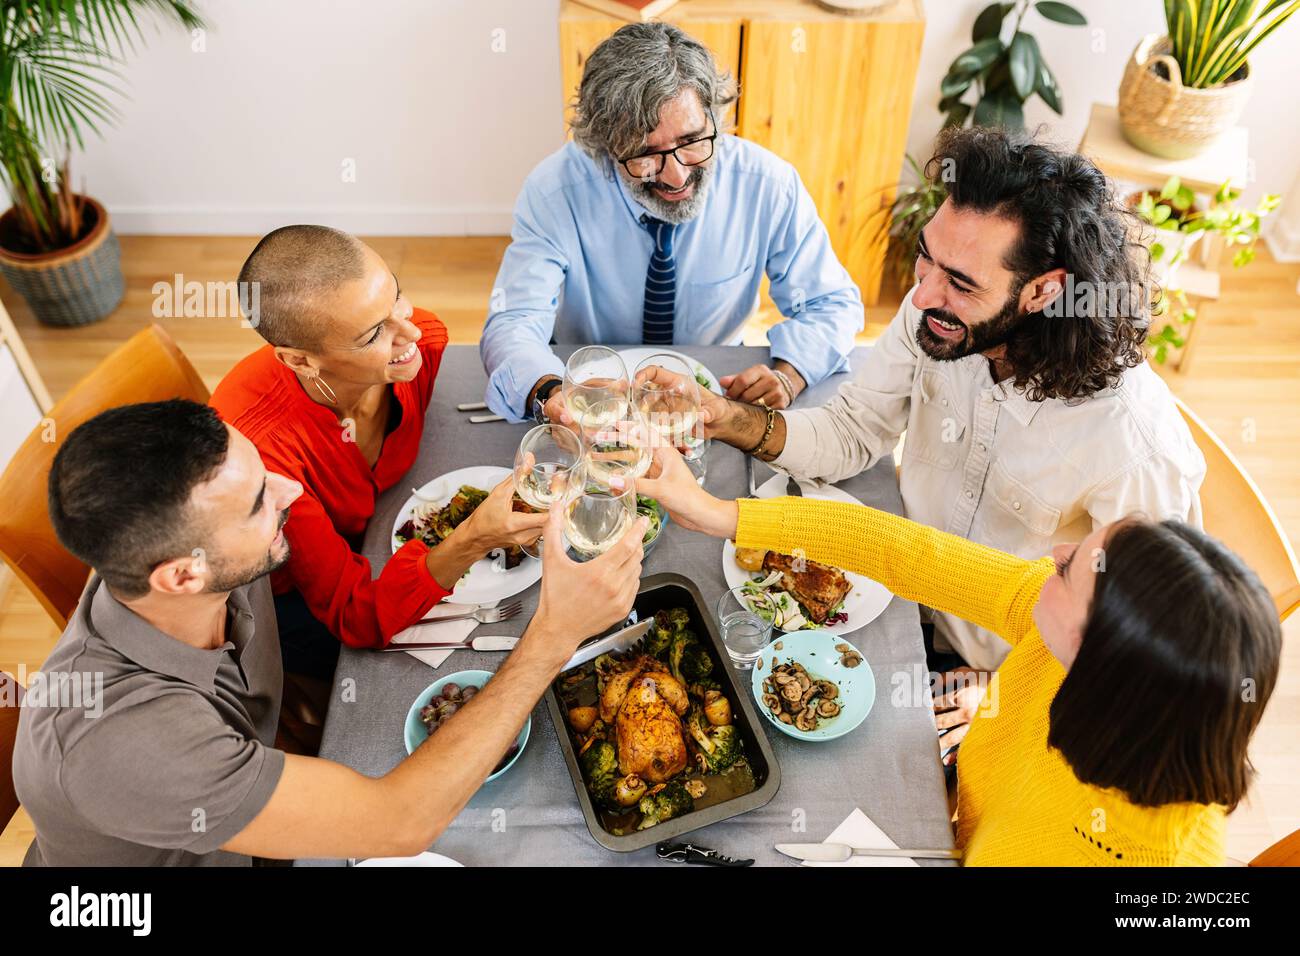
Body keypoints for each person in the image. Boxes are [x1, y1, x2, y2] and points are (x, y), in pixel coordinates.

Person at [671, 126, 1206, 749]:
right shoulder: (940, 313)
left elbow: (1145, 663)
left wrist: (1007, 695)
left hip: (991, 677)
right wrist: (725, 417)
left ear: (1044, 290)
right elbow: (852, 429)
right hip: (883, 588)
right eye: (927, 256)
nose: (922, 293)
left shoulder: (1134, 446)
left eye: (961, 281)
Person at [13, 400, 646, 865]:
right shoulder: (124, 742)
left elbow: (361, 614)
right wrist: (553, 636)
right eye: (260, 500)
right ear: (181, 575)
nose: (289, 492)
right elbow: (399, 826)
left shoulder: (197, 574)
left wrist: (475, 535)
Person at [636, 445, 1281, 865]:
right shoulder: (1068, 642)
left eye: (1073, 568)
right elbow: (910, 554)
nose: (1053, 556)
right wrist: (722, 514)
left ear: (1100, 658)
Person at [480, 21, 863, 424]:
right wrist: (550, 392)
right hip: (590, 393)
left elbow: (830, 303)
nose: (677, 177)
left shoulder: (768, 184)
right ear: (603, 148)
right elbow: (514, 318)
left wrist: (790, 374)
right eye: (645, 155)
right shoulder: (554, 192)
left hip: (715, 392)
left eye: (692, 141)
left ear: (714, 116)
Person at [210, 225, 546, 684]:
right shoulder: (263, 456)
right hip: (279, 595)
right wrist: (472, 539)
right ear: (300, 361)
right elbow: (355, 617)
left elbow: (417, 332)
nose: (409, 332)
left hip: (379, 537)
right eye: (373, 334)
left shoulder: (422, 343)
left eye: (397, 298)